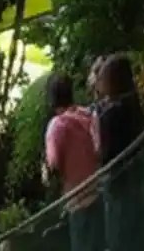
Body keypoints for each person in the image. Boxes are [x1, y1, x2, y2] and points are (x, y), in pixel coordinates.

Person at [95, 54, 144, 250]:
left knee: (121, 236)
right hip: (139, 177)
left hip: (119, 185)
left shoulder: (111, 114)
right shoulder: (133, 103)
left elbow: (104, 153)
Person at [44, 73, 105, 250]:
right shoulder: (89, 115)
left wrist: (45, 173)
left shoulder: (56, 126)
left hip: (78, 201)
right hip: (99, 192)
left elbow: (54, 166)